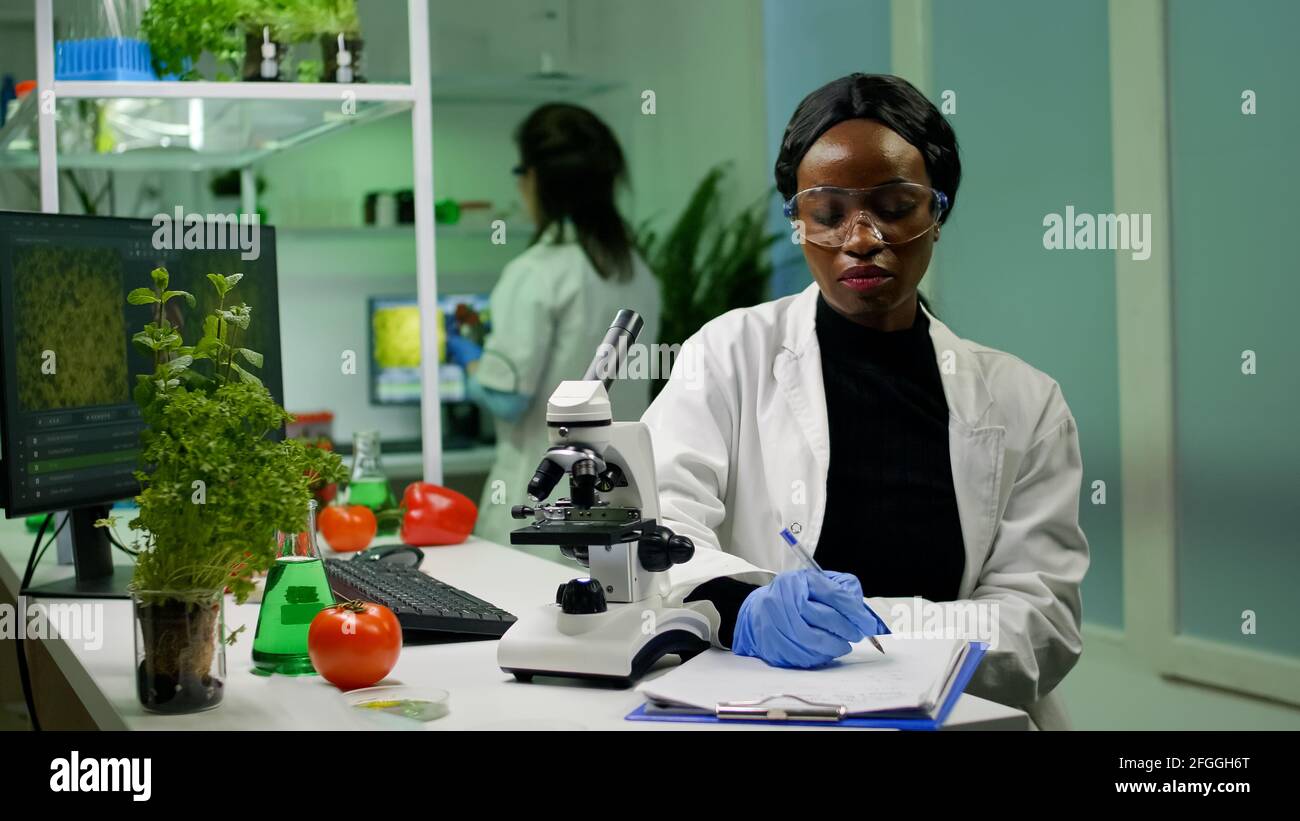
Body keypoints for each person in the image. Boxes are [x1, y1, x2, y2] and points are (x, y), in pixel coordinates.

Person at [645, 74, 1089, 730]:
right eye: (827, 212)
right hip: (765, 707)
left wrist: (870, 624)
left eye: (894, 205)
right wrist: (746, 607)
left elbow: (1040, 621)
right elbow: (658, 531)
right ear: (798, 221)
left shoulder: (1026, 402)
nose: (860, 238)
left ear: (937, 214)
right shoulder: (726, 355)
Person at [469, 103, 661, 547]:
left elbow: (507, 400)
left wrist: (472, 369)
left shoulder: (537, 272)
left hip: (539, 506)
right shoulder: (636, 272)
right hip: (619, 507)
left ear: (536, 178)